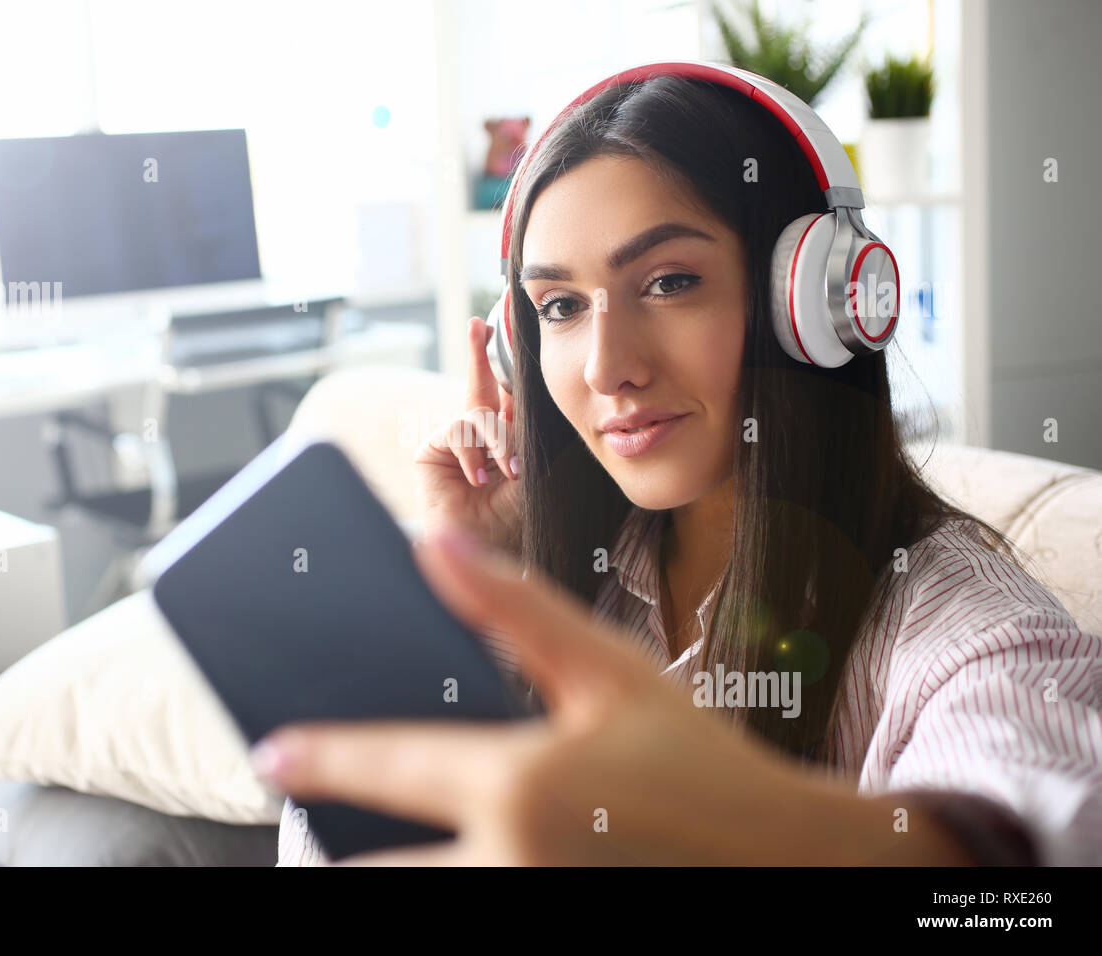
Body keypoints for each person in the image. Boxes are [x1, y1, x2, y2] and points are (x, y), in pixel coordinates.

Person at [264, 68, 1102, 866]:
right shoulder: (564, 582)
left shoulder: (961, 631)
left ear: (812, 307)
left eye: (668, 283)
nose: (604, 367)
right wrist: (457, 597)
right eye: (559, 306)